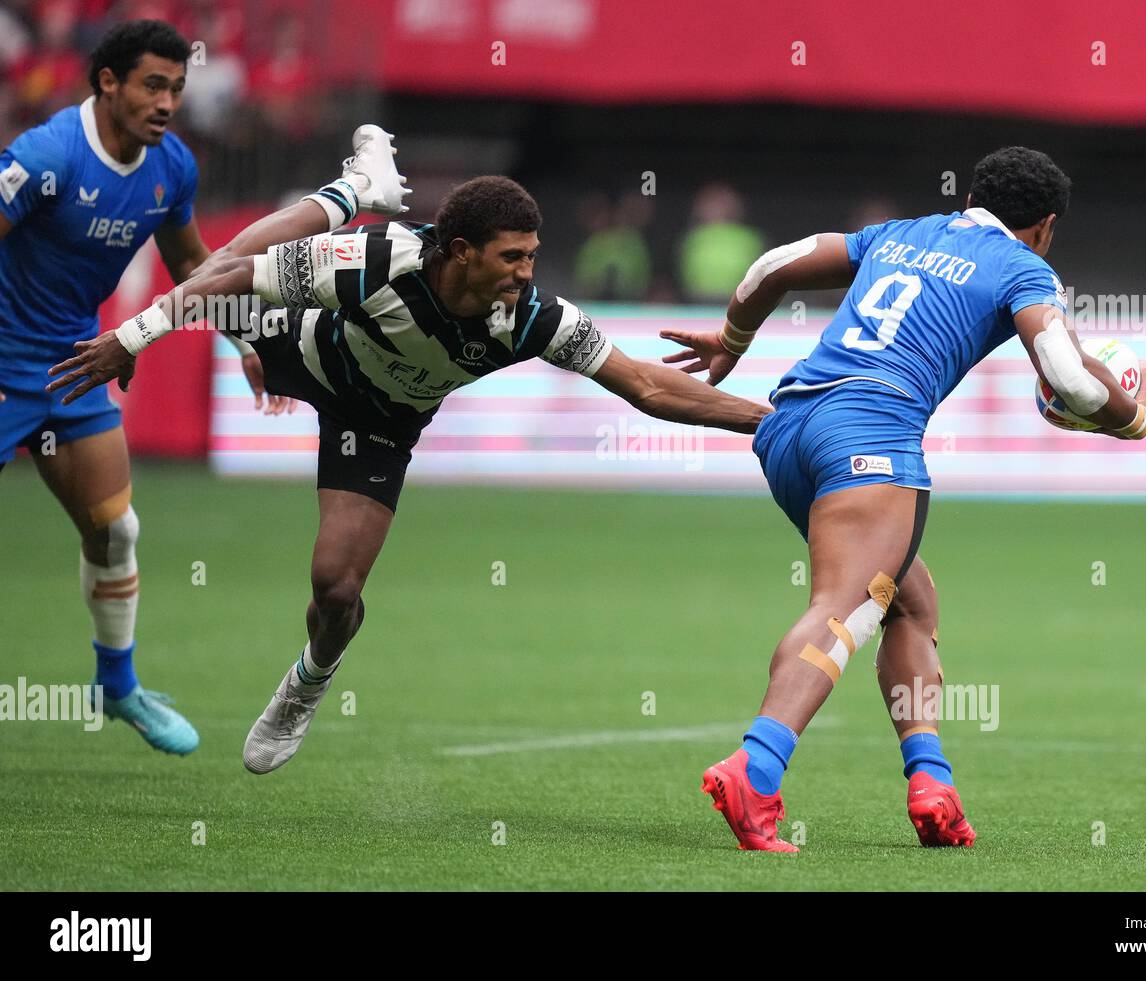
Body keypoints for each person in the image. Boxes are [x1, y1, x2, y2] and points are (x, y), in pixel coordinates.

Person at [47, 155, 769, 775]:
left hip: (380, 423)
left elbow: (642, 382)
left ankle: (310, 678)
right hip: (302, 344)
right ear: (459, 250)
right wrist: (131, 339)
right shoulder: (372, 263)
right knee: (220, 277)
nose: (527, 271)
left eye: (531, 254)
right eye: (511, 256)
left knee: (335, 589)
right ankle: (352, 192)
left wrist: (768, 420)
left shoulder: (532, 319)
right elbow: (229, 274)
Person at [661, 147, 1146, 850]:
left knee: (909, 601)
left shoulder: (897, 234)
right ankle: (755, 770)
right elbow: (1072, 383)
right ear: (1044, 225)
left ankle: (933, 785)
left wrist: (731, 338)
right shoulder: (1023, 268)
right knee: (844, 609)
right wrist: (1132, 418)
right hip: (871, 433)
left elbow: (772, 264)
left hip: (790, 426)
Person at [0, 20, 293, 756]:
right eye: (152, 85)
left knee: (116, 529)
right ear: (108, 82)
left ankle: (117, 685)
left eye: (177, 89)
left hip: (76, 368)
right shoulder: (45, 157)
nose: (167, 103)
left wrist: (245, 337)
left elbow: (194, 262)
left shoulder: (173, 168)